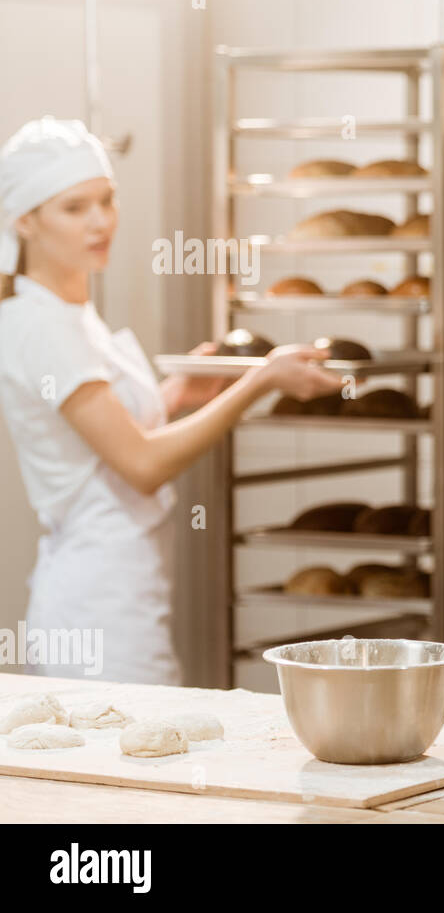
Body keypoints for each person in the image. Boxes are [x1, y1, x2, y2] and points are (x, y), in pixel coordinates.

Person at [0, 117, 342, 684]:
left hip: (115, 588)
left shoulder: (64, 313)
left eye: (107, 201)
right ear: (25, 221)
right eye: (75, 207)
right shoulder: (41, 326)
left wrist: (179, 392)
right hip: (98, 609)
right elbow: (141, 464)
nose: (100, 222)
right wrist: (259, 383)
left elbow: (100, 439)